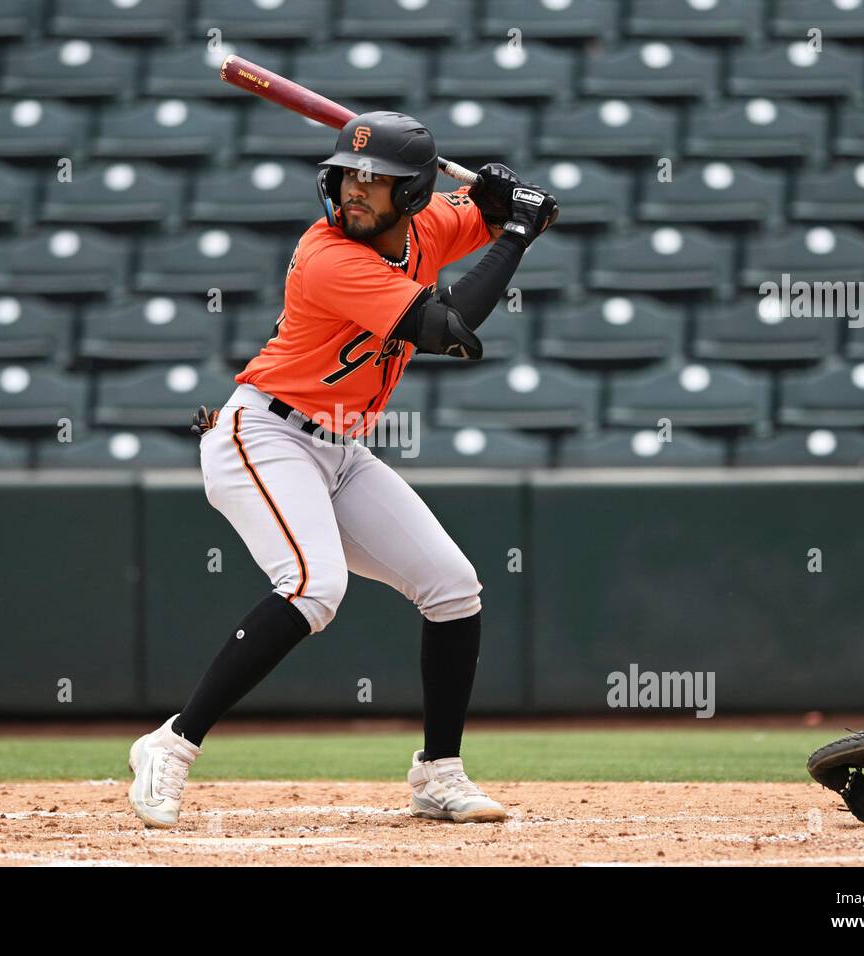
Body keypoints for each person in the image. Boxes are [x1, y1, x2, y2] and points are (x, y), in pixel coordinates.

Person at [126, 111, 558, 828]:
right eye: (349, 176)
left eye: (377, 181)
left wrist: (507, 200)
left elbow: (482, 214)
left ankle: (438, 775)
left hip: (340, 447)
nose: (356, 191)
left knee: (452, 589)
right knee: (312, 587)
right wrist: (518, 233)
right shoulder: (327, 255)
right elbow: (448, 331)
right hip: (264, 434)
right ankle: (171, 744)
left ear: (413, 194)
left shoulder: (428, 228)